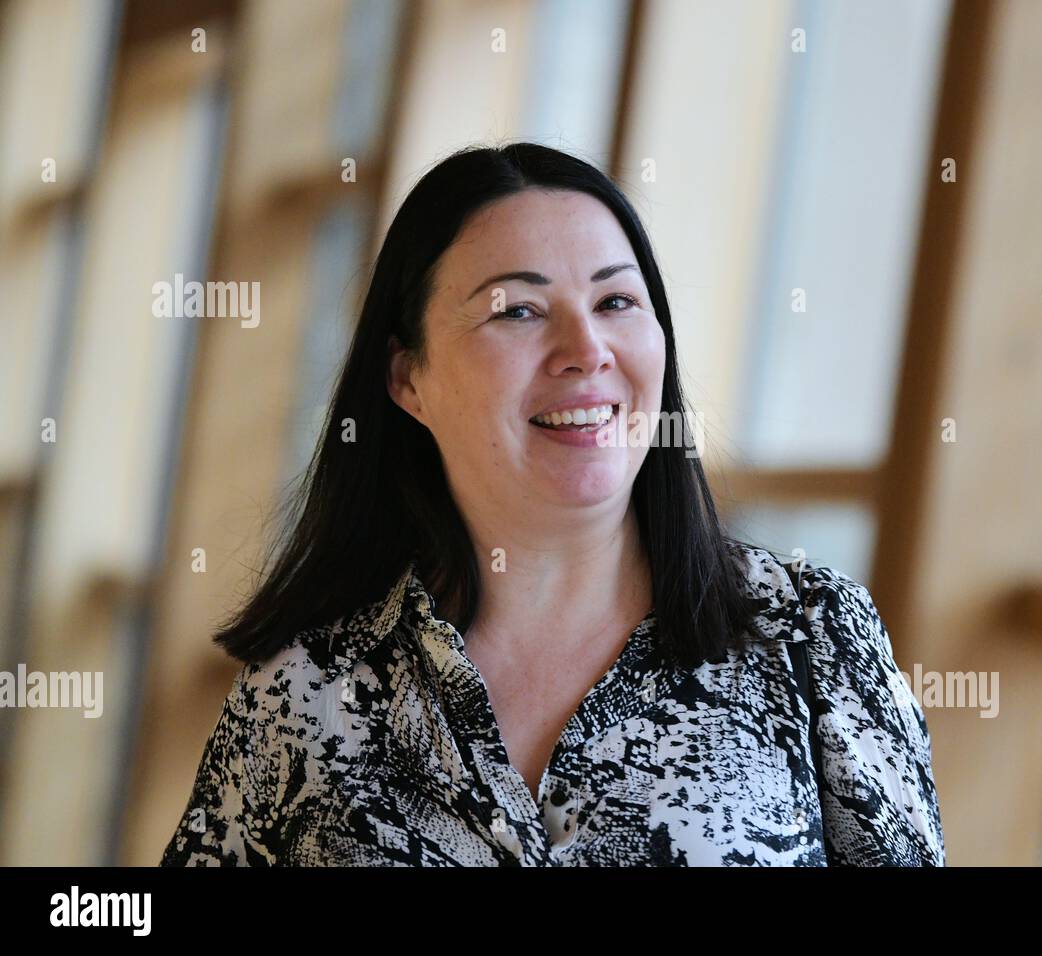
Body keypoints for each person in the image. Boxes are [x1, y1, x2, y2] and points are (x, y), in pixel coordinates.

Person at [159, 143, 944, 866]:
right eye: (517, 310)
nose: (587, 350)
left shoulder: (809, 639)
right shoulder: (301, 698)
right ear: (408, 381)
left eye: (615, 303)